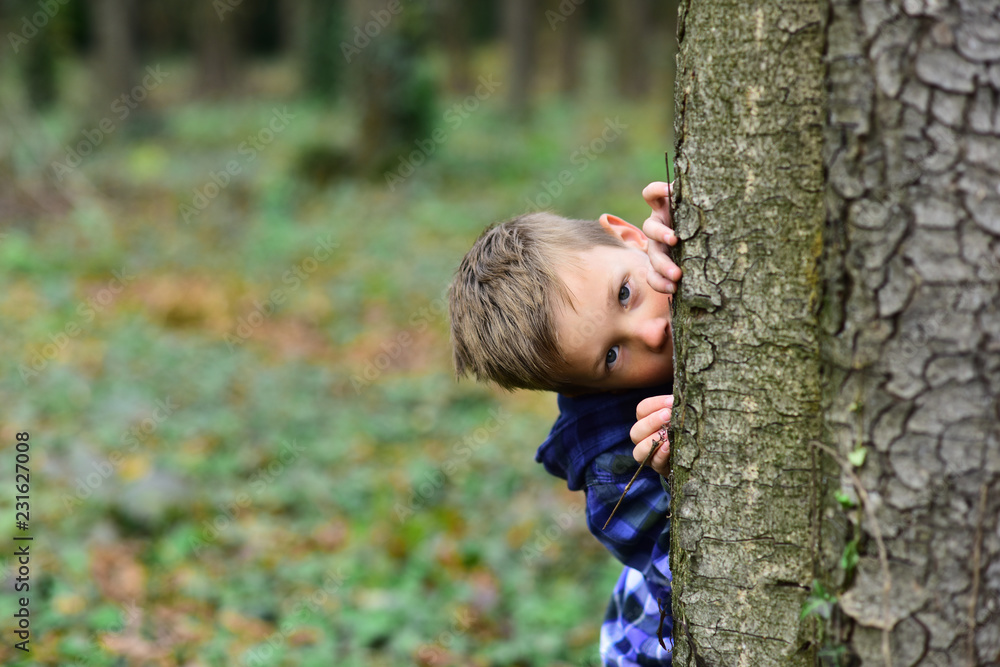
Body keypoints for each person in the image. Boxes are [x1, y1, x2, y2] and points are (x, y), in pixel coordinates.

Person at [448, 181, 681, 665]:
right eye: (612, 355)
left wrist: (683, 227)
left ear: (627, 237)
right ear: (583, 391)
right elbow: (693, 574)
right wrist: (675, 476)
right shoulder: (611, 466)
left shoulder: (653, 250)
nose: (652, 332)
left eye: (625, 293)